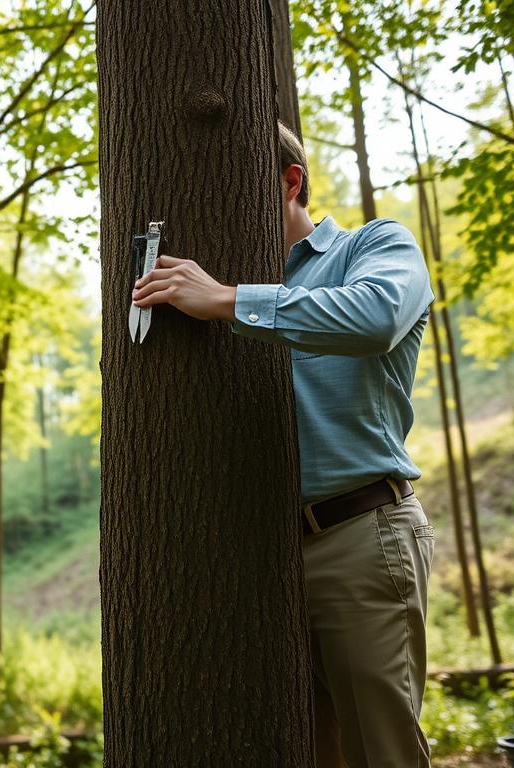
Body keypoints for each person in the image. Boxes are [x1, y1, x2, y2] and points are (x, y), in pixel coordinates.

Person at [130, 121, 437, 768]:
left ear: (290, 180)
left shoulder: (374, 244)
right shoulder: (214, 286)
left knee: (379, 754)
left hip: (357, 538)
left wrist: (226, 299)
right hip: (251, 559)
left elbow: (378, 315)